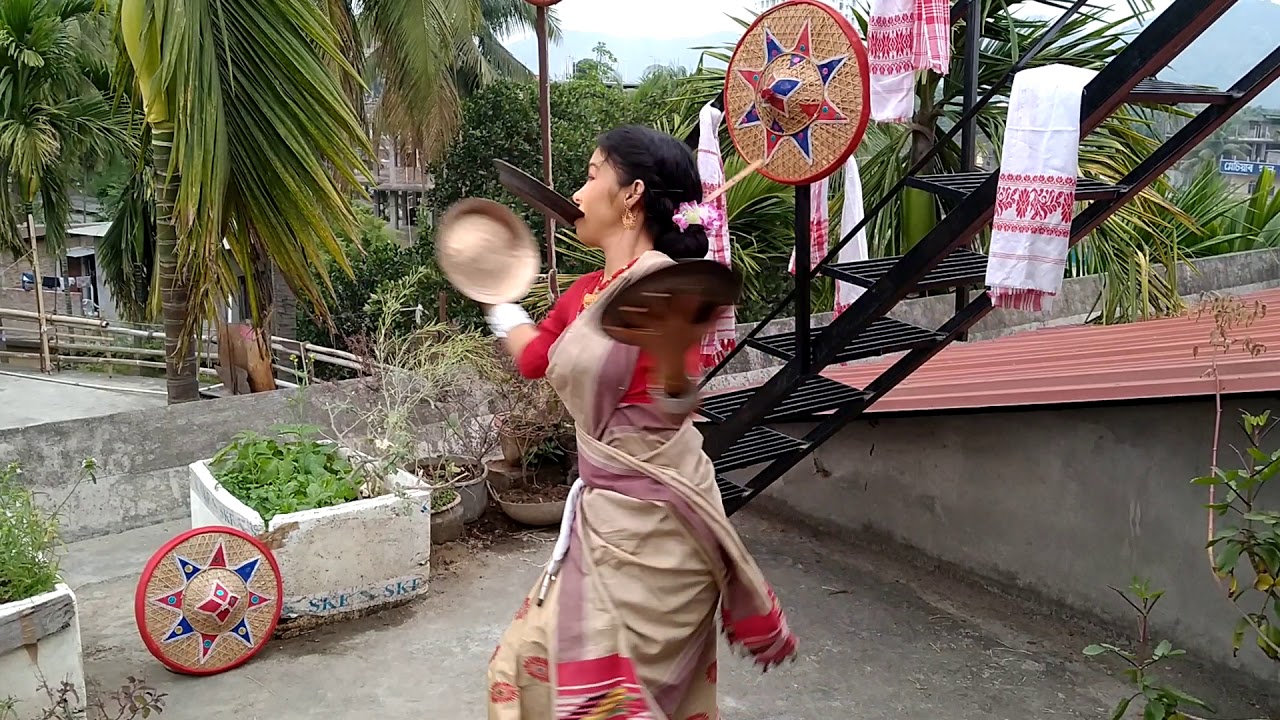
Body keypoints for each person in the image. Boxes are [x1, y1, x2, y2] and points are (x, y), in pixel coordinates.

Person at [482, 125, 797, 720]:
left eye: (593, 173)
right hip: (602, 526)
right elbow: (536, 360)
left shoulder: (669, 292)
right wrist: (498, 299)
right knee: (522, 667)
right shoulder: (584, 294)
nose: (578, 190)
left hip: (662, 533)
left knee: (606, 699)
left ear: (631, 194)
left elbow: (672, 396)